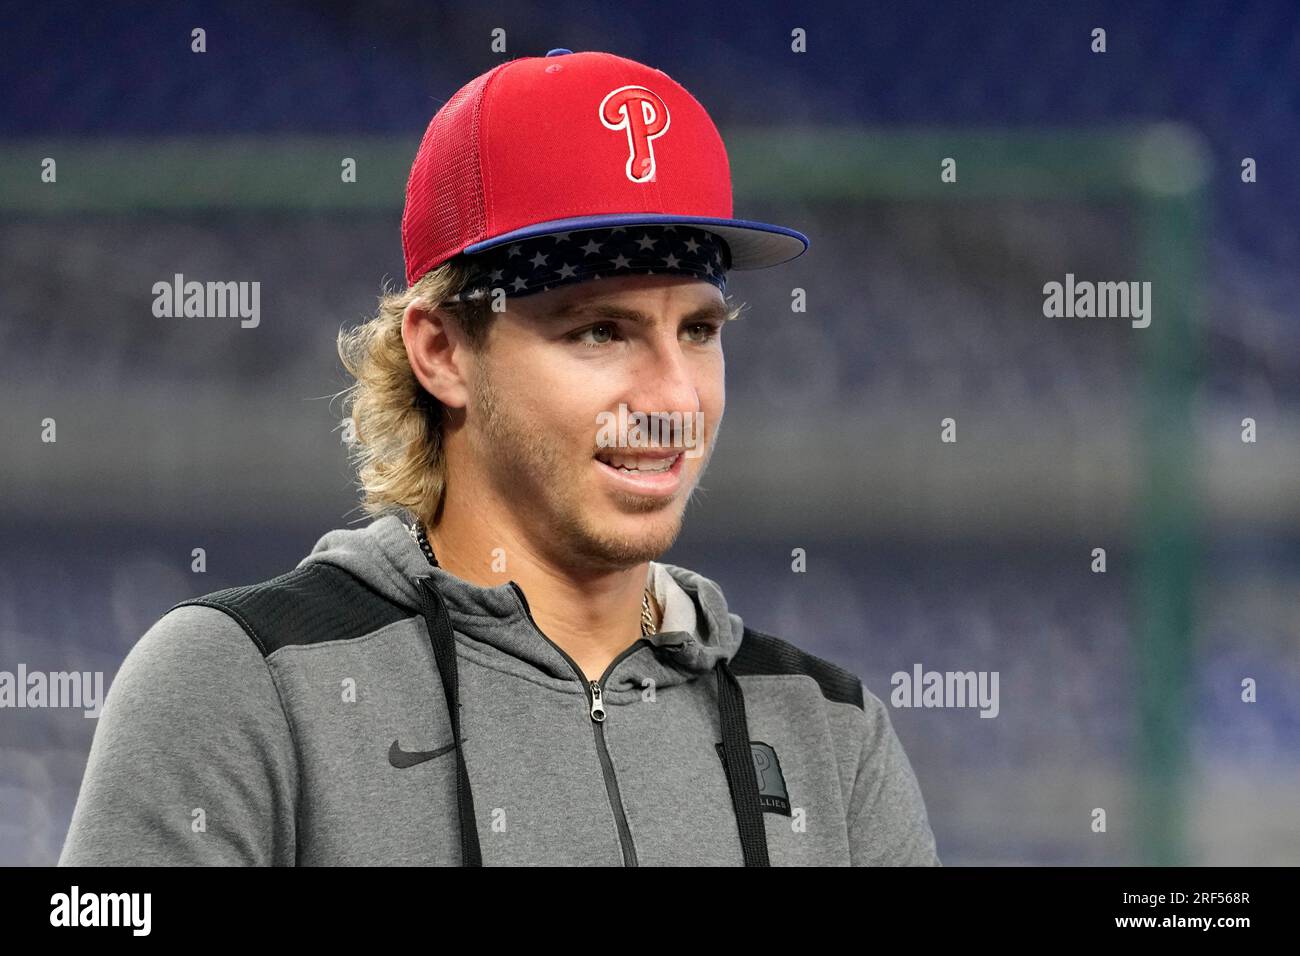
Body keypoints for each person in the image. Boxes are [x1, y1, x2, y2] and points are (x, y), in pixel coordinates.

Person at [59, 49, 939, 866]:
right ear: (441, 350)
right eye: (601, 330)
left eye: (698, 330)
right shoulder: (241, 683)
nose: (674, 399)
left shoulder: (831, 730)